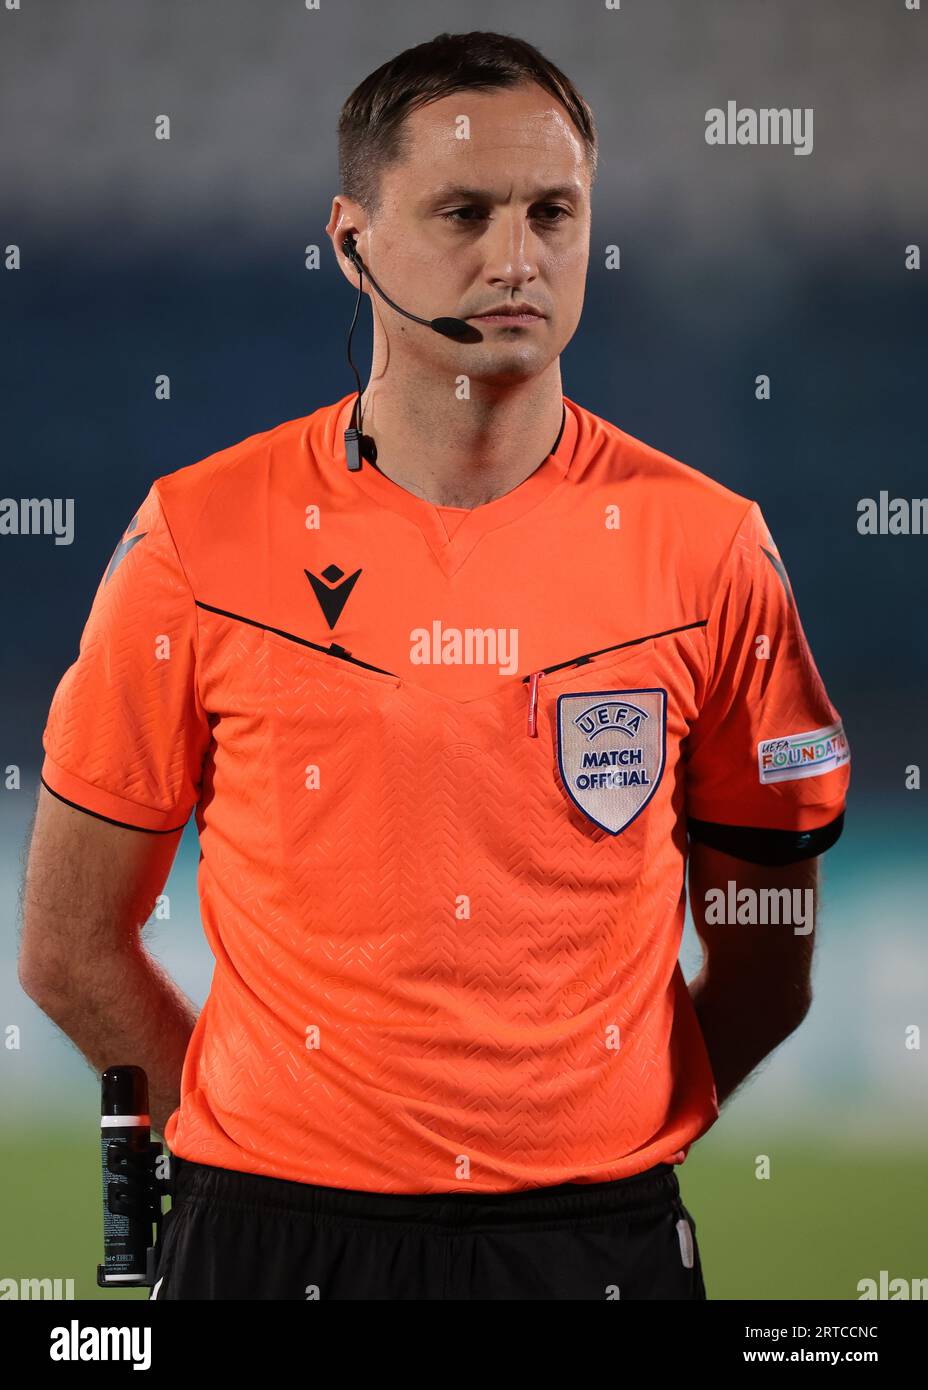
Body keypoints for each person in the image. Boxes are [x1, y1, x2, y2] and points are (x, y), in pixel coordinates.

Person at [19, 31, 850, 1301]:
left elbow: (764, 955)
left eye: (552, 212)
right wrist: (269, 1151)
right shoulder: (197, 535)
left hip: (594, 1251)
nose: (516, 257)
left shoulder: (710, 549)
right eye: (463, 212)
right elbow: (71, 944)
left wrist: (599, 1142)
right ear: (353, 242)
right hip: (267, 1243)